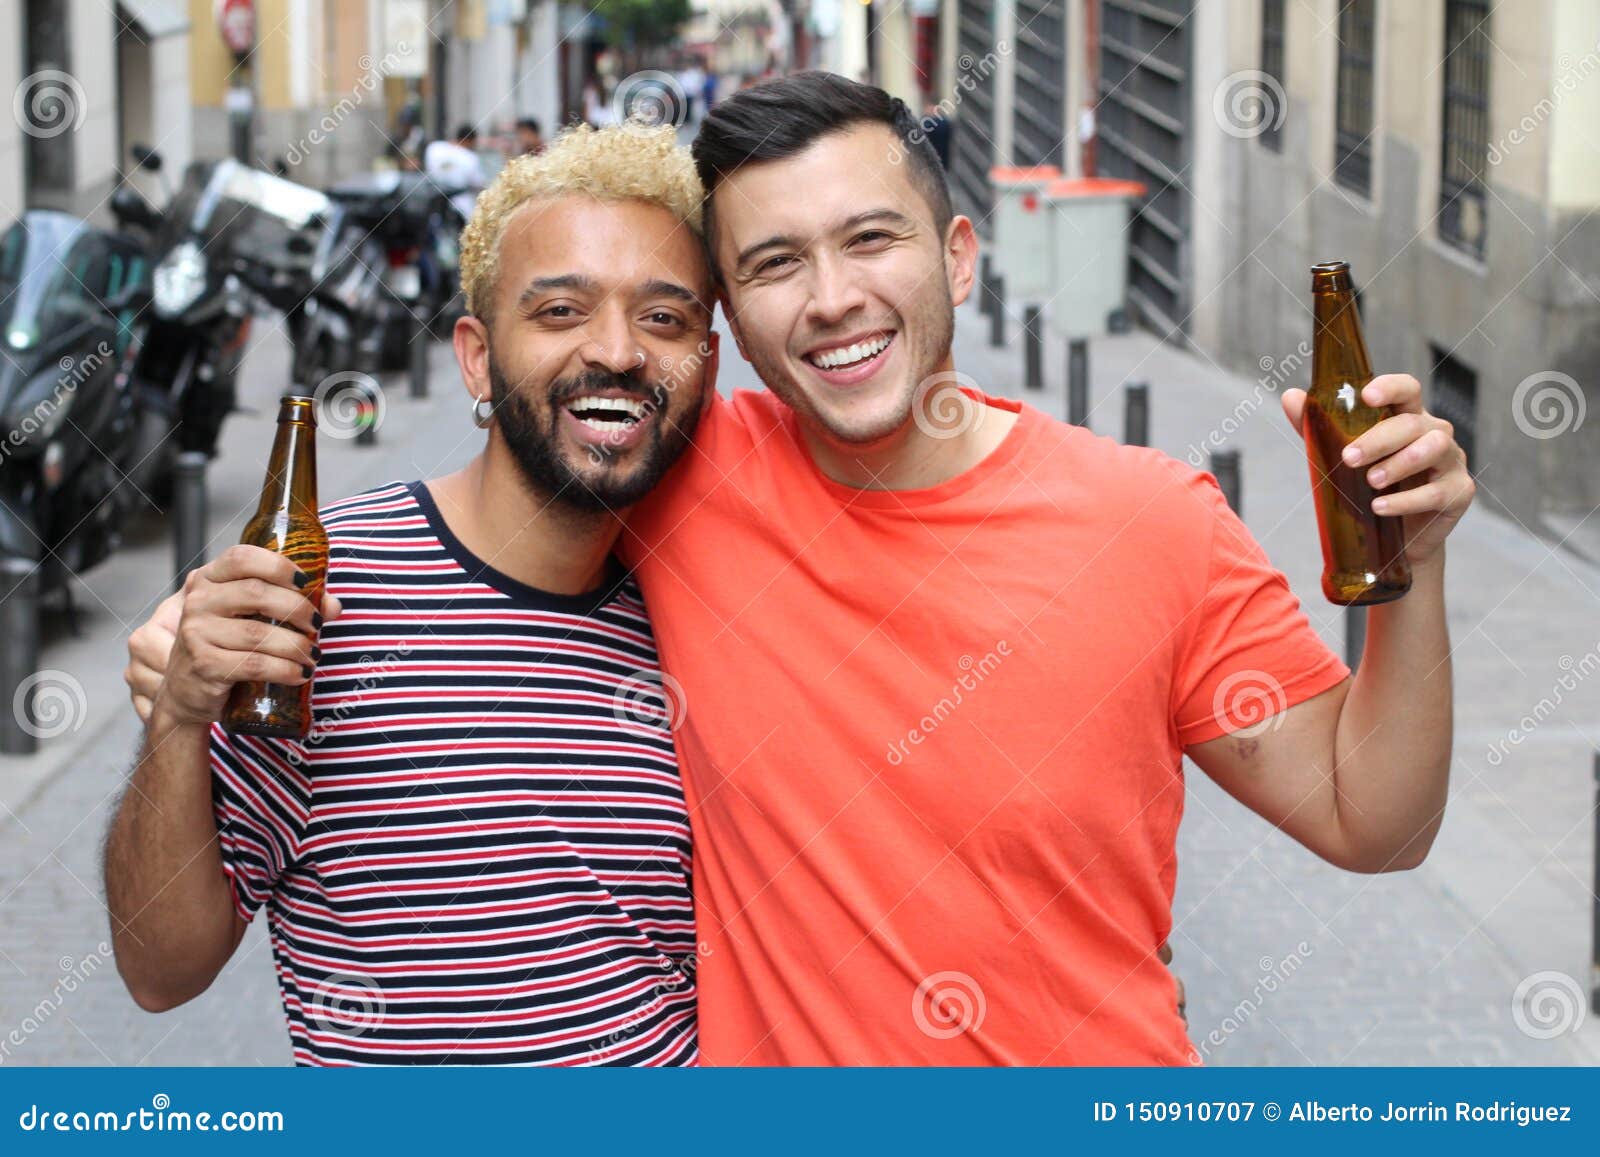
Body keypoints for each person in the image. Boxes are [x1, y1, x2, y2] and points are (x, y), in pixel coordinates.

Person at [125, 74, 1473, 1066]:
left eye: (870, 240)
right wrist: (188, 674)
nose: (830, 299)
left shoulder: (1155, 519)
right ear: (737, 329)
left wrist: (1408, 579)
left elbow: (1372, 818)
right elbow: (523, 478)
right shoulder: (669, 474)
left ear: (957, 255)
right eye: (772, 263)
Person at [105, 125, 712, 1065]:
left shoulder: (714, 592)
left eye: (665, 319)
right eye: (559, 311)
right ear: (475, 356)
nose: (619, 351)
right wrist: (179, 720)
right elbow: (160, 969)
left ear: (707, 360)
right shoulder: (327, 587)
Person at [424, 123, 487, 220]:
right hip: (462, 208)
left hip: (434, 206)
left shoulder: (434, 148)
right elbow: (479, 185)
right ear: (469, 141)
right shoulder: (470, 158)